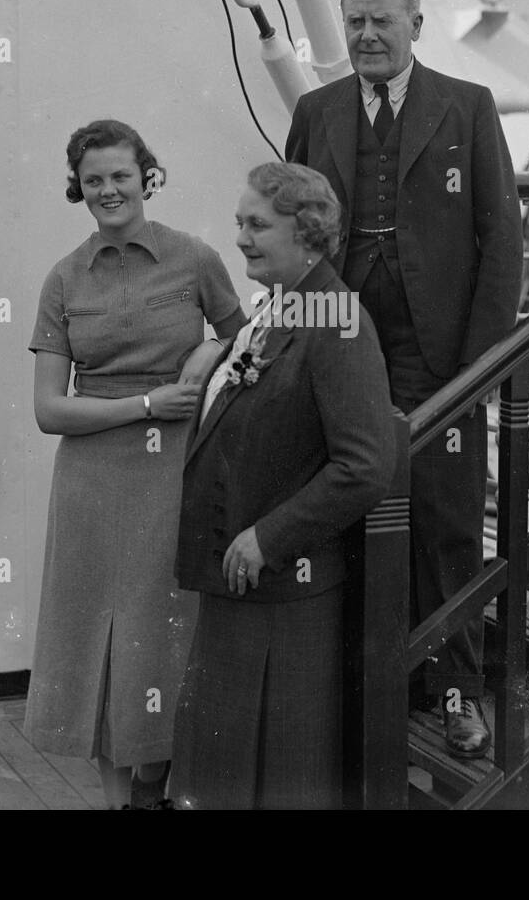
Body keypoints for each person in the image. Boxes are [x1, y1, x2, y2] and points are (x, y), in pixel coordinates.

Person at [286, 0, 524, 758]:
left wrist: (480, 366)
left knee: (447, 524)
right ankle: (353, 691)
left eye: (382, 22)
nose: (365, 36)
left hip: (439, 355)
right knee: (340, 510)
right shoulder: (314, 112)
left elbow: (502, 240)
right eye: (354, 22)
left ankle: (458, 694)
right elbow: (291, 239)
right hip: (340, 343)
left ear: (416, 24)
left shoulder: (468, 106)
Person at [24, 119, 247, 809]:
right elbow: (49, 411)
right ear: (78, 188)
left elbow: (244, 339)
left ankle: (153, 782)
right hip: (91, 482)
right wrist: (150, 402)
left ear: (145, 176)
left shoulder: (195, 259)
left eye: (120, 175)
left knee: (161, 632)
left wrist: (206, 358)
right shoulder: (64, 278)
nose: (108, 190)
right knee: (95, 636)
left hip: (175, 476)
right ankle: (120, 801)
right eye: (93, 180)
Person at [168, 162, 396, 809]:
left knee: (275, 782)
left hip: (285, 600)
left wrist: (269, 537)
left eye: (258, 224)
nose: (240, 236)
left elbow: (365, 464)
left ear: (309, 232)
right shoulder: (277, 308)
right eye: (240, 221)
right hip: (241, 595)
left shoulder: (339, 321)